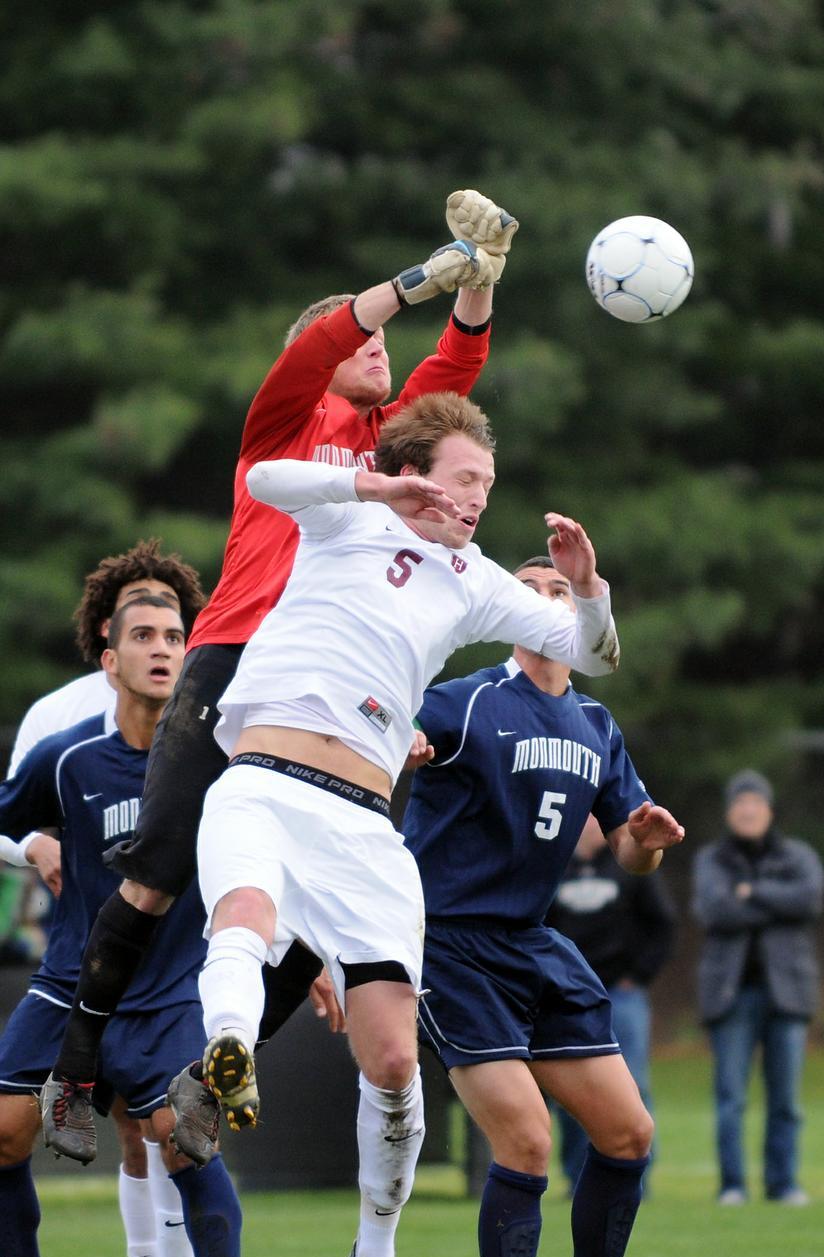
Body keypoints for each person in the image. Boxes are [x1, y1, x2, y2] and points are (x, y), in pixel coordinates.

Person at [42, 188, 517, 1162]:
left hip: (332, 689)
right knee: (159, 871)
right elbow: (321, 345)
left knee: (321, 910)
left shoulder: (395, 453)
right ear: (328, 352)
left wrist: (481, 289)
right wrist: (424, 277)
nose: (382, 356)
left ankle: (220, 1064)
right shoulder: (288, 421)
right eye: (366, 342)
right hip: (234, 655)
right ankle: (76, 1067)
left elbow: (456, 372)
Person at [164, 392, 620, 1257]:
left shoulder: (473, 579)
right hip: (261, 784)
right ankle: (227, 1055)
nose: (476, 500)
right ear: (418, 469)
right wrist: (367, 479)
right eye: (465, 479)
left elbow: (593, 652)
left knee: (395, 1065)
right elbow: (262, 479)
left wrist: (588, 592)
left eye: (487, 487)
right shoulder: (348, 511)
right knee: (242, 917)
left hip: (364, 833)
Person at [400, 555, 685, 1257]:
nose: (547, 601)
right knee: (524, 1141)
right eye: (528, 590)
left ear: (583, 615)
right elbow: (375, 736)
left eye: (560, 590)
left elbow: (631, 854)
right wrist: (399, 744)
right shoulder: (463, 702)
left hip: (534, 943)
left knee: (629, 1133)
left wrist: (648, 840)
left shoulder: (595, 724)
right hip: (453, 945)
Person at [0, 597, 248, 1257]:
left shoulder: (221, 760)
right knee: (3, 1132)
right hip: (69, 980)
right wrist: (38, 841)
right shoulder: (68, 759)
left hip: (167, 988)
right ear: (109, 661)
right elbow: (8, 819)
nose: (163, 649)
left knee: (183, 1139)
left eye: (176, 636)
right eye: (142, 636)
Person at [691, 769, 824, 1206]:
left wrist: (752, 892)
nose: (748, 811)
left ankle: (782, 1182)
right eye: (740, 803)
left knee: (785, 1100)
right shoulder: (712, 859)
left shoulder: (797, 855)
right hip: (731, 995)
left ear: (769, 810)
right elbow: (716, 910)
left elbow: (809, 900)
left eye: (756, 803)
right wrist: (773, 903)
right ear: (730, 811)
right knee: (731, 1097)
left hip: (787, 993)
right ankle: (732, 1185)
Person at [547, 812, 678, 1189]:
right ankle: (578, 1179)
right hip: (567, 994)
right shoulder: (556, 866)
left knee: (632, 1083)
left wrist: (636, 976)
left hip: (620, 994)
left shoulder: (629, 868)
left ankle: (637, 1178)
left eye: (593, 815)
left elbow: (663, 923)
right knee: (572, 1089)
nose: (587, 822)